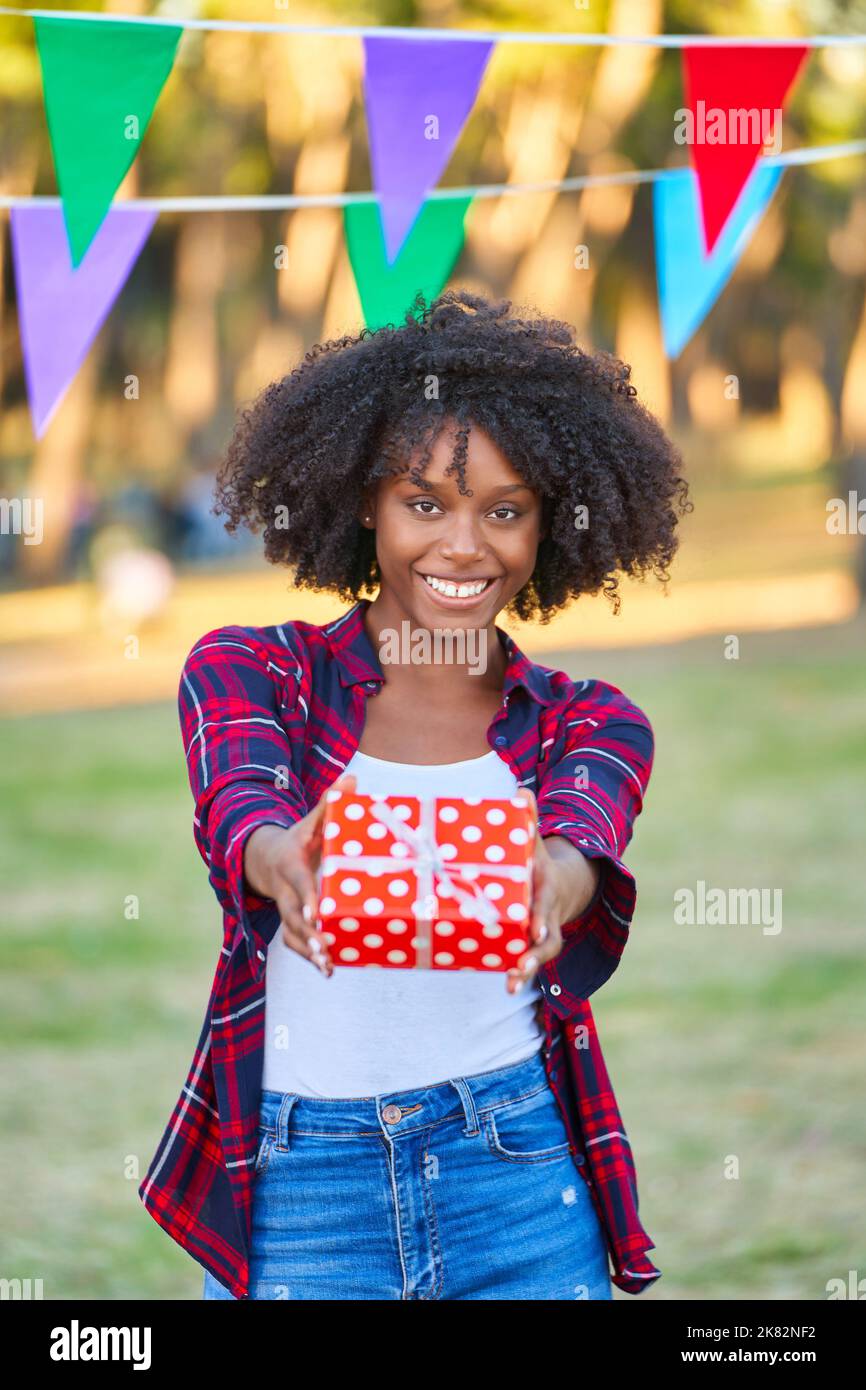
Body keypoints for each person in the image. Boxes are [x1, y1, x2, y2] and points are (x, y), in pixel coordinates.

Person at [138, 289, 690, 1300]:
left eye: (504, 509)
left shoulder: (590, 719)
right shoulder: (254, 673)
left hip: (512, 1169)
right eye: (424, 502)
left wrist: (553, 884)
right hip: (300, 1182)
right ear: (362, 500)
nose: (463, 547)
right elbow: (239, 803)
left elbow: (582, 834)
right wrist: (279, 858)